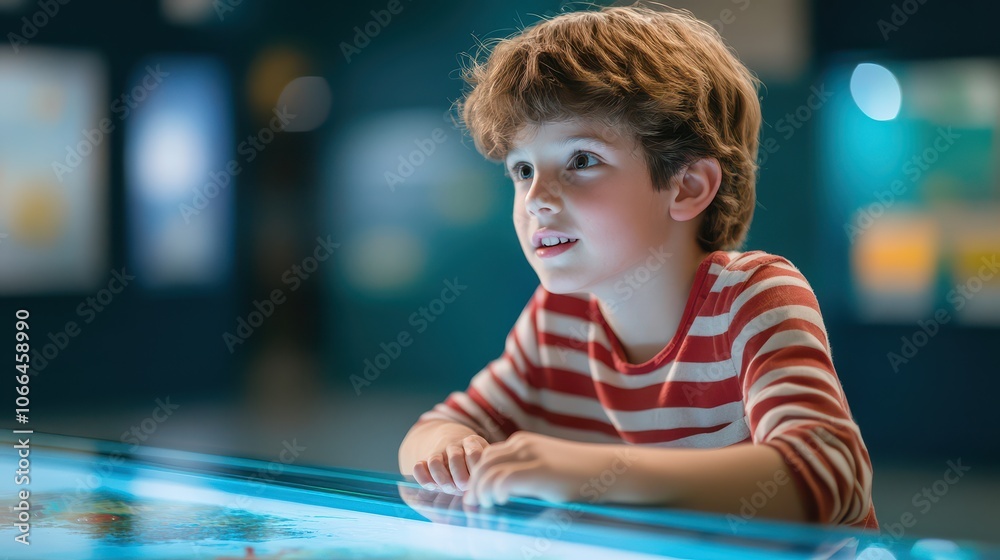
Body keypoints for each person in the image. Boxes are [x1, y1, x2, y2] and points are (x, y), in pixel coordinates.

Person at [397, 4, 878, 529]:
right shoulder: (556, 319)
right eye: (523, 169)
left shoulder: (754, 296)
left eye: (581, 160)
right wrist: (451, 450)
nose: (535, 198)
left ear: (687, 186)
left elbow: (832, 475)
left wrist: (596, 474)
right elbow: (435, 428)